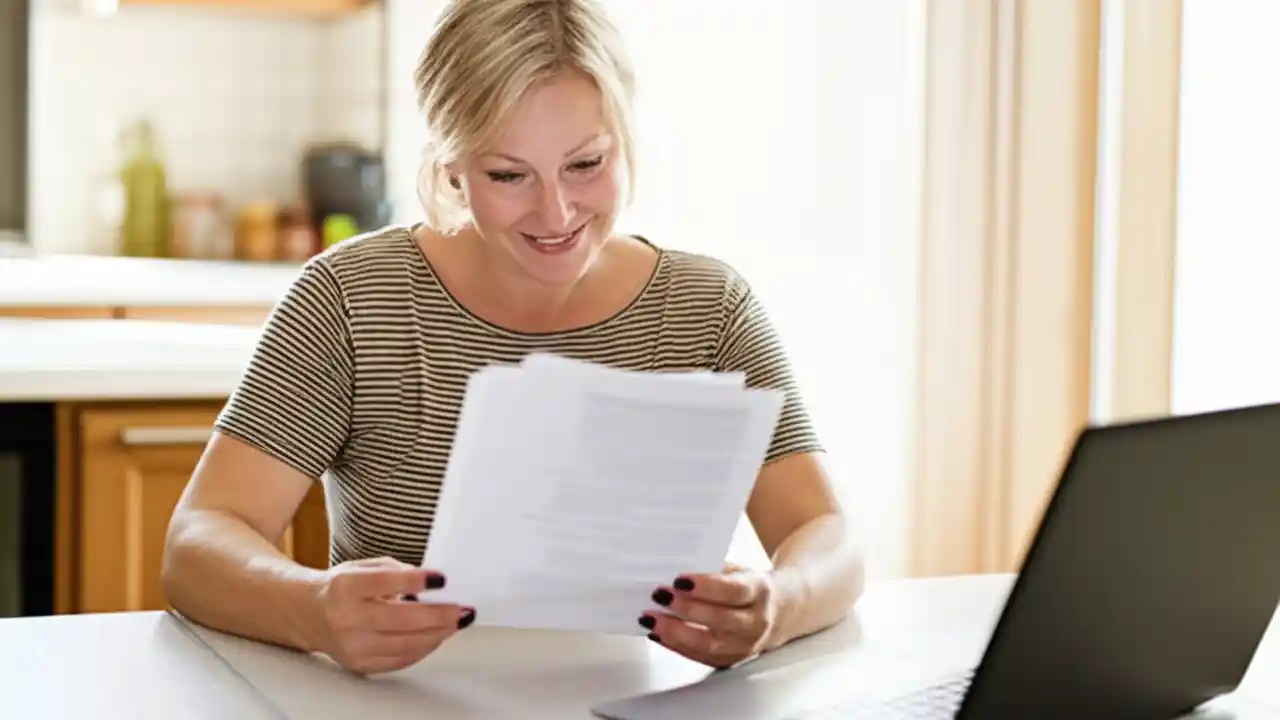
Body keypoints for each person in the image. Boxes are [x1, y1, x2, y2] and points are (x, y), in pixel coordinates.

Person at [162, 0, 864, 676]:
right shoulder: (351, 298)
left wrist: (777, 605)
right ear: (452, 170)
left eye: (585, 164)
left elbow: (830, 539)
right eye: (508, 175)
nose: (556, 211)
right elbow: (197, 543)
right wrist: (310, 608)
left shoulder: (707, 307)